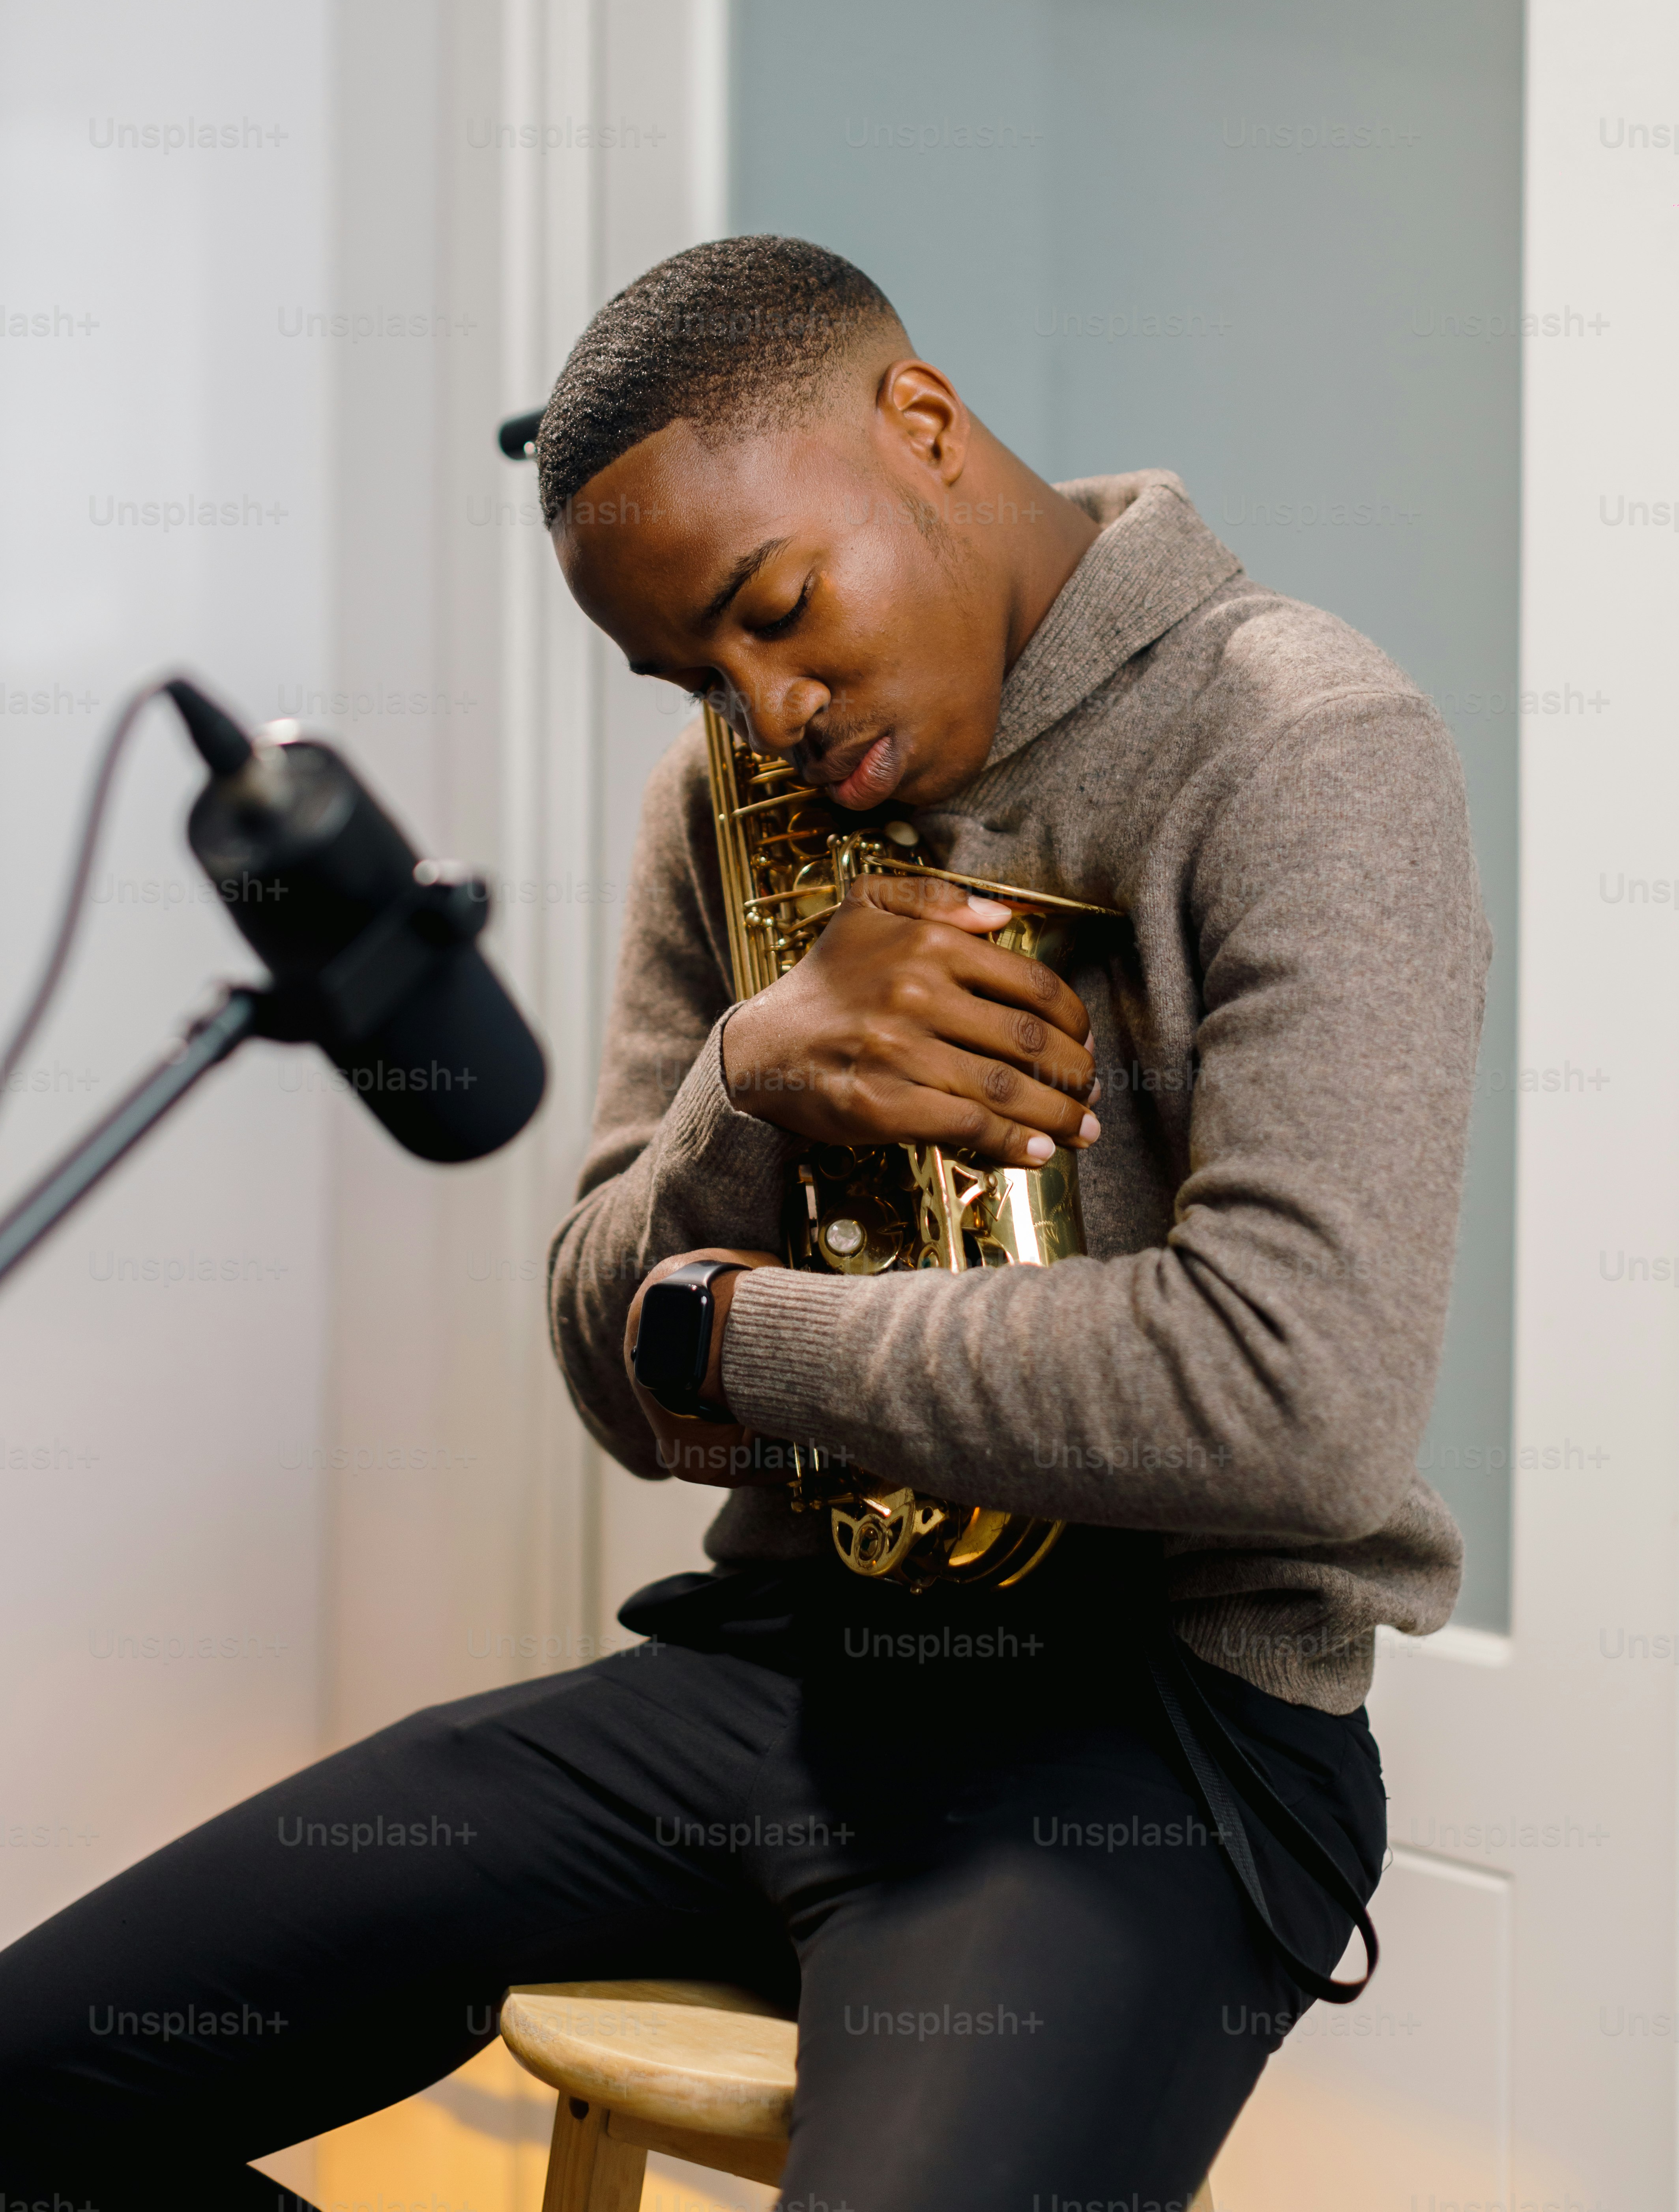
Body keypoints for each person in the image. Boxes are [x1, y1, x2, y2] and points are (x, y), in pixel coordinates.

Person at [0, 236, 1487, 2212]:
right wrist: (749, 1076)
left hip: (1155, 1741)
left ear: (924, 426)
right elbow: (620, 1383)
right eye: (694, 673)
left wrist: (738, 1332)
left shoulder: (1299, 743)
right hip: (772, 1681)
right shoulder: (719, 802)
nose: (761, 707)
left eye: (774, 611)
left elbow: (1291, 1397)